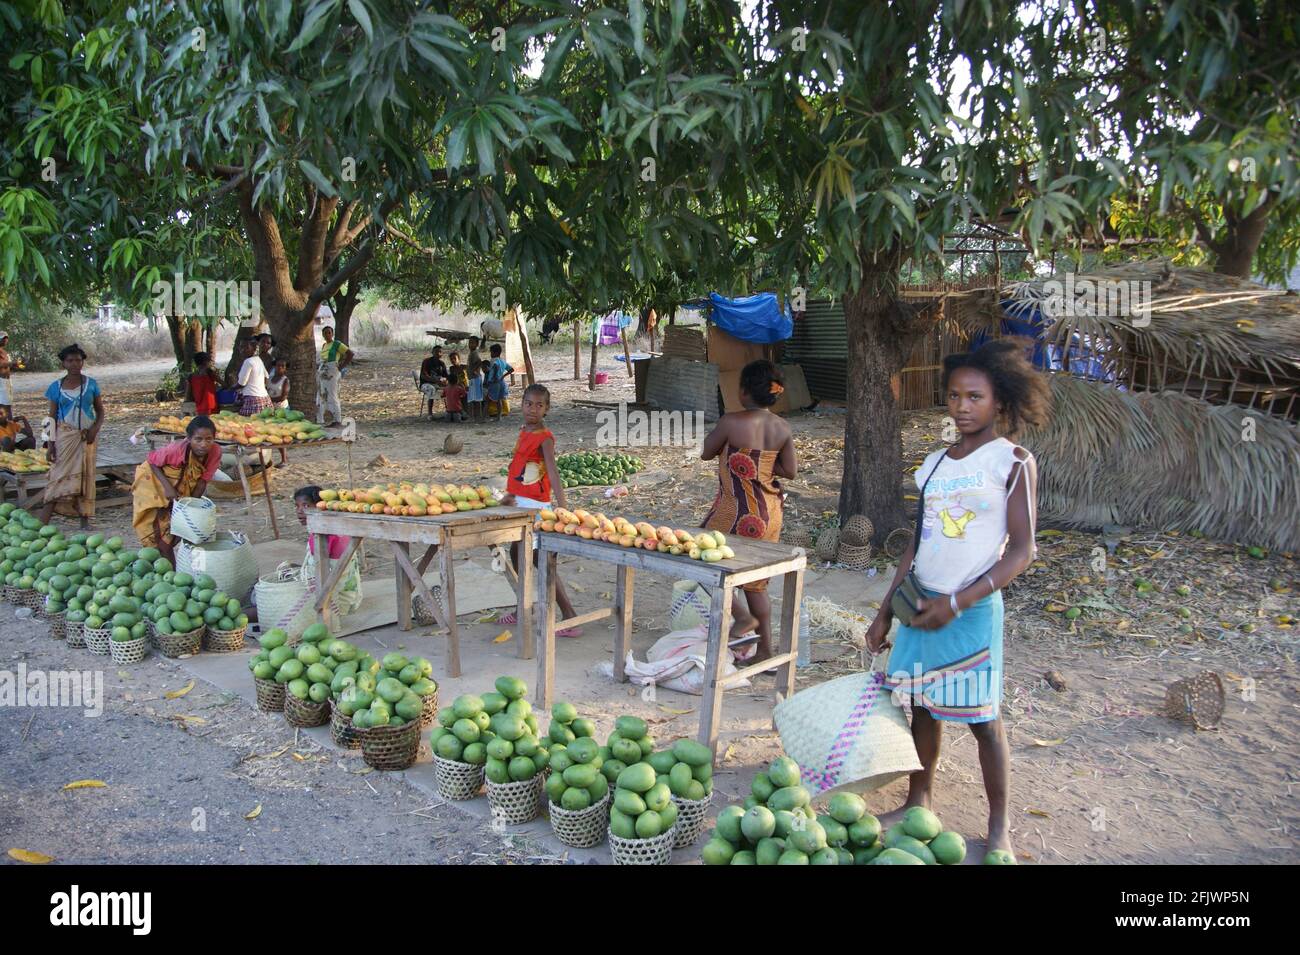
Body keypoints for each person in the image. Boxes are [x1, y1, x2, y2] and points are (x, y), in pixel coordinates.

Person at [866, 339, 1048, 862]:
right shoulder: (935, 465)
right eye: (953, 396)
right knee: (923, 705)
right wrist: (883, 614)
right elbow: (916, 548)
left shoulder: (1011, 461)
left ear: (1000, 401)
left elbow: (1023, 549)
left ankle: (999, 827)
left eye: (975, 396)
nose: (962, 407)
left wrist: (961, 600)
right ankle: (918, 800)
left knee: (983, 720)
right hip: (920, 606)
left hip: (970, 613)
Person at [700, 360, 796, 661]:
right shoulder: (782, 427)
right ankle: (766, 650)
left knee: (699, 557)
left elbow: (706, 452)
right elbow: (790, 470)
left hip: (737, 511)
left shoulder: (731, 421)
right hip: (769, 515)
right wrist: (763, 466)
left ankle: (741, 617)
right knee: (756, 583)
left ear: (743, 392)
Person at [498, 384, 580, 636]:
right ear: (521, 404)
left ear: (547, 409)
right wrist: (509, 495)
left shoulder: (544, 437)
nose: (532, 409)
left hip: (535, 508)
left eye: (539, 405)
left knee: (542, 563)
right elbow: (520, 468)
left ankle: (570, 617)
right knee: (515, 555)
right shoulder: (524, 431)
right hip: (519, 505)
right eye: (528, 403)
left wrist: (563, 507)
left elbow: (552, 472)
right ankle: (522, 606)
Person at [130, 415, 221, 564]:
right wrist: (168, 488)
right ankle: (170, 573)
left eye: (209, 439)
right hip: (154, 483)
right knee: (156, 533)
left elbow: (202, 482)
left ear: (214, 438)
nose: (203, 444)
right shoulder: (177, 449)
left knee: (174, 532)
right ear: (189, 439)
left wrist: (191, 508)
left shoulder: (215, 452)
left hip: (180, 490)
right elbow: (152, 461)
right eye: (198, 439)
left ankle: (168, 569)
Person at [35, 344, 105, 523]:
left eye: (78, 360)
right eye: (70, 360)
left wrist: (94, 430)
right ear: (63, 363)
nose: (75, 364)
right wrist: (50, 445)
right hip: (64, 437)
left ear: (83, 362)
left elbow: (100, 412)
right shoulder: (55, 387)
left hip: (86, 437)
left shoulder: (91, 384)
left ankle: (84, 520)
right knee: (57, 477)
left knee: (85, 477)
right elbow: (50, 418)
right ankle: (44, 521)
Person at [294, 485, 363, 615]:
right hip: (351, 600)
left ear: (321, 507)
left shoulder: (326, 537)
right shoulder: (332, 529)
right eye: (297, 506)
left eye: (306, 506)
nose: (300, 511)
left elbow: (322, 575)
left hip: (336, 605)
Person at [318, 325, 351, 426]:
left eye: (329, 332)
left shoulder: (336, 344)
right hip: (323, 372)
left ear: (332, 334)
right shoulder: (324, 346)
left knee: (333, 395)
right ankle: (324, 419)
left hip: (332, 371)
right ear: (323, 335)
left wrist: (341, 367)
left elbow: (350, 354)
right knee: (322, 395)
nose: (327, 334)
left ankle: (337, 420)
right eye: (325, 333)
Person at [266, 357, 291, 466]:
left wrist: (268, 400)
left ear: (285, 369)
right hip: (272, 409)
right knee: (273, 434)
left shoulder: (285, 380)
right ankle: (283, 458)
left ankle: (284, 460)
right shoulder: (270, 378)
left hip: (282, 410)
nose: (279, 368)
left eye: (282, 366)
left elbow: (283, 396)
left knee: (280, 435)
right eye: (278, 365)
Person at [237, 337, 271, 416]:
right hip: (264, 399)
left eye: (246, 347)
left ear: (254, 349)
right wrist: (260, 388)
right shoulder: (258, 359)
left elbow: (242, 383)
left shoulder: (248, 361)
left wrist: (230, 389)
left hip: (253, 401)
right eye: (241, 347)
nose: (242, 350)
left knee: (250, 425)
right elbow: (266, 377)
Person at [484, 343, 513, 421]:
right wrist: (503, 376)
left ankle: (485, 416)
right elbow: (511, 369)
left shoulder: (494, 361)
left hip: (494, 383)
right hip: (502, 382)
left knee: (487, 400)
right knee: (499, 400)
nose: (491, 354)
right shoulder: (503, 361)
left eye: (491, 352)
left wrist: (493, 376)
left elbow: (495, 367)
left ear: (495, 353)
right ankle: (498, 417)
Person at [185, 352, 220, 416]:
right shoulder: (210, 373)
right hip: (212, 406)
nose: (210, 363)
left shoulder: (191, 376)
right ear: (205, 362)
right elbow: (224, 384)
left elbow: (187, 395)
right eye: (209, 361)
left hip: (199, 406)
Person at [419, 345, 449, 418]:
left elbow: (446, 376)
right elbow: (424, 375)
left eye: (440, 352)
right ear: (432, 352)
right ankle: (430, 413)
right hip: (426, 383)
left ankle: (450, 410)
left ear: (442, 354)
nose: (438, 353)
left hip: (438, 383)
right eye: (436, 352)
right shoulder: (426, 361)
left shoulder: (442, 364)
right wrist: (436, 381)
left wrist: (445, 381)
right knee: (431, 389)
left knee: (452, 388)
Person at [466, 357, 485, 422]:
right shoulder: (474, 372)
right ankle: (474, 417)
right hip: (473, 386)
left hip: (476, 386)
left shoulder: (477, 373)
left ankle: (476, 417)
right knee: (473, 402)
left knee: (476, 402)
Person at [0, 330, 12, 413]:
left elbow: (7, 366)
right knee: (4, 403)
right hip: (1, 381)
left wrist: (16, 365)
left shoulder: (5, 352)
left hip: (7, 381)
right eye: (2, 338)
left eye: (6, 338)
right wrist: (12, 363)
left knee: (8, 402)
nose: (5, 340)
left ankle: (8, 421)